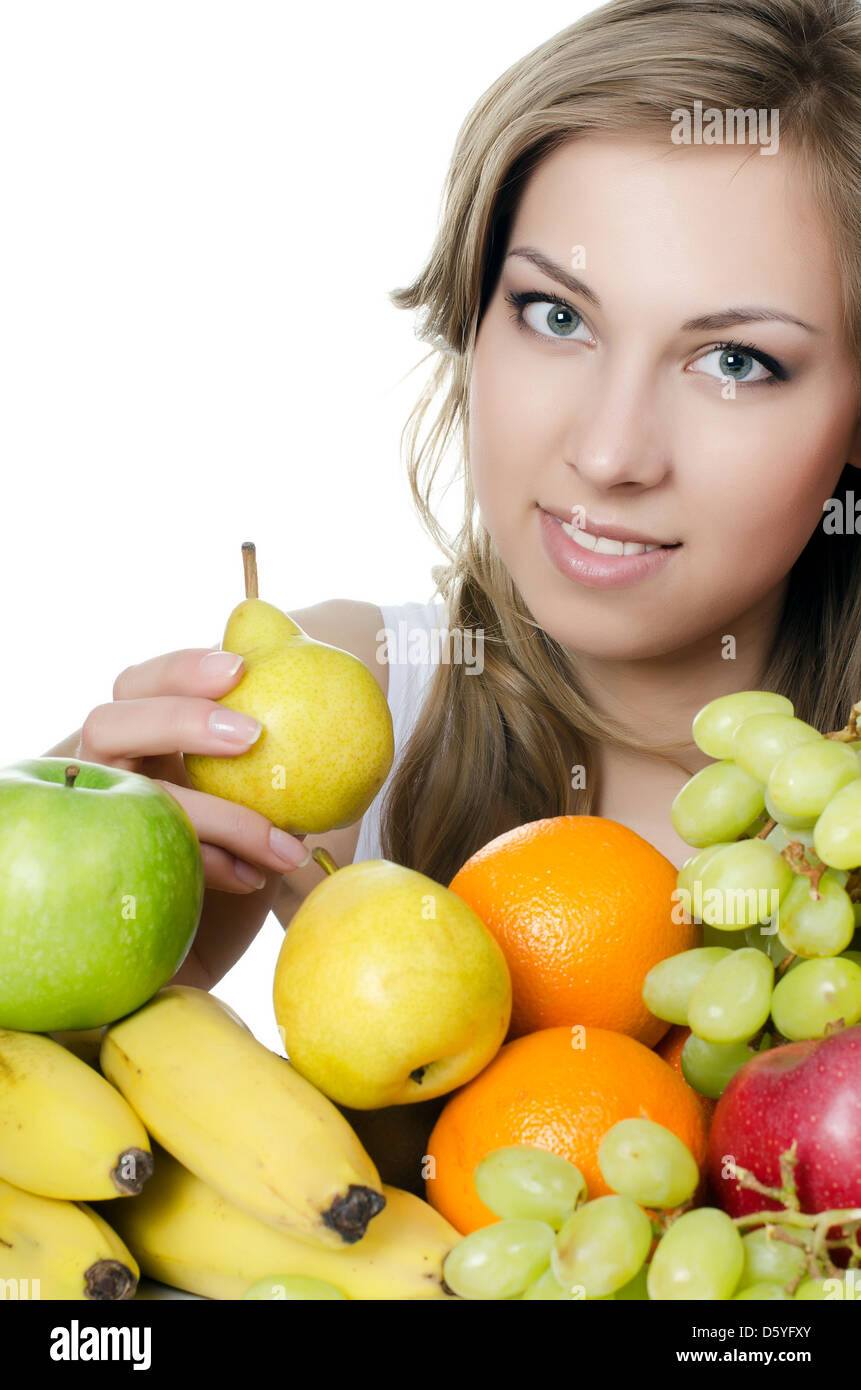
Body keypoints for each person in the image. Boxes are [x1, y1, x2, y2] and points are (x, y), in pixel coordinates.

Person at [45, 0, 861, 995]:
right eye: (556, 314)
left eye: (735, 359)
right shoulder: (335, 709)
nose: (609, 454)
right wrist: (88, 933)